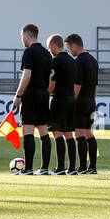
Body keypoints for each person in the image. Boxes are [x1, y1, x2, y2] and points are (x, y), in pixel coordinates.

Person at [11, 23, 52, 174]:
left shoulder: (28, 52)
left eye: (22, 36)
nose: (22, 39)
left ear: (27, 36)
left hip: (31, 95)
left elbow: (26, 75)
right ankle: (44, 168)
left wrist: (18, 95)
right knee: (43, 131)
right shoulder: (47, 53)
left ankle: (28, 168)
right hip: (43, 94)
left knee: (28, 130)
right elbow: (49, 76)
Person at [46, 33, 78, 175]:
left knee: (57, 133)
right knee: (69, 134)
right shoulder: (72, 61)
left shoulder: (55, 61)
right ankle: (71, 168)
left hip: (58, 99)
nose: (49, 50)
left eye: (49, 47)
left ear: (54, 46)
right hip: (70, 99)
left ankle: (60, 167)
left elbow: (52, 83)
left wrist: (45, 95)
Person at [69, 34, 98, 174]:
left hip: (80, 101)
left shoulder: (78, 61)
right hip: (91, 101)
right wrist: (93, 100)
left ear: (75, 45)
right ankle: (92, 167)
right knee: (89, 133)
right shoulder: (93, 60)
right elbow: (96, 85)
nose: (69, 50)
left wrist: (72, 101)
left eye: (69, 47)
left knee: (79, 133)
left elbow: (77, 85)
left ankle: (82, 167)